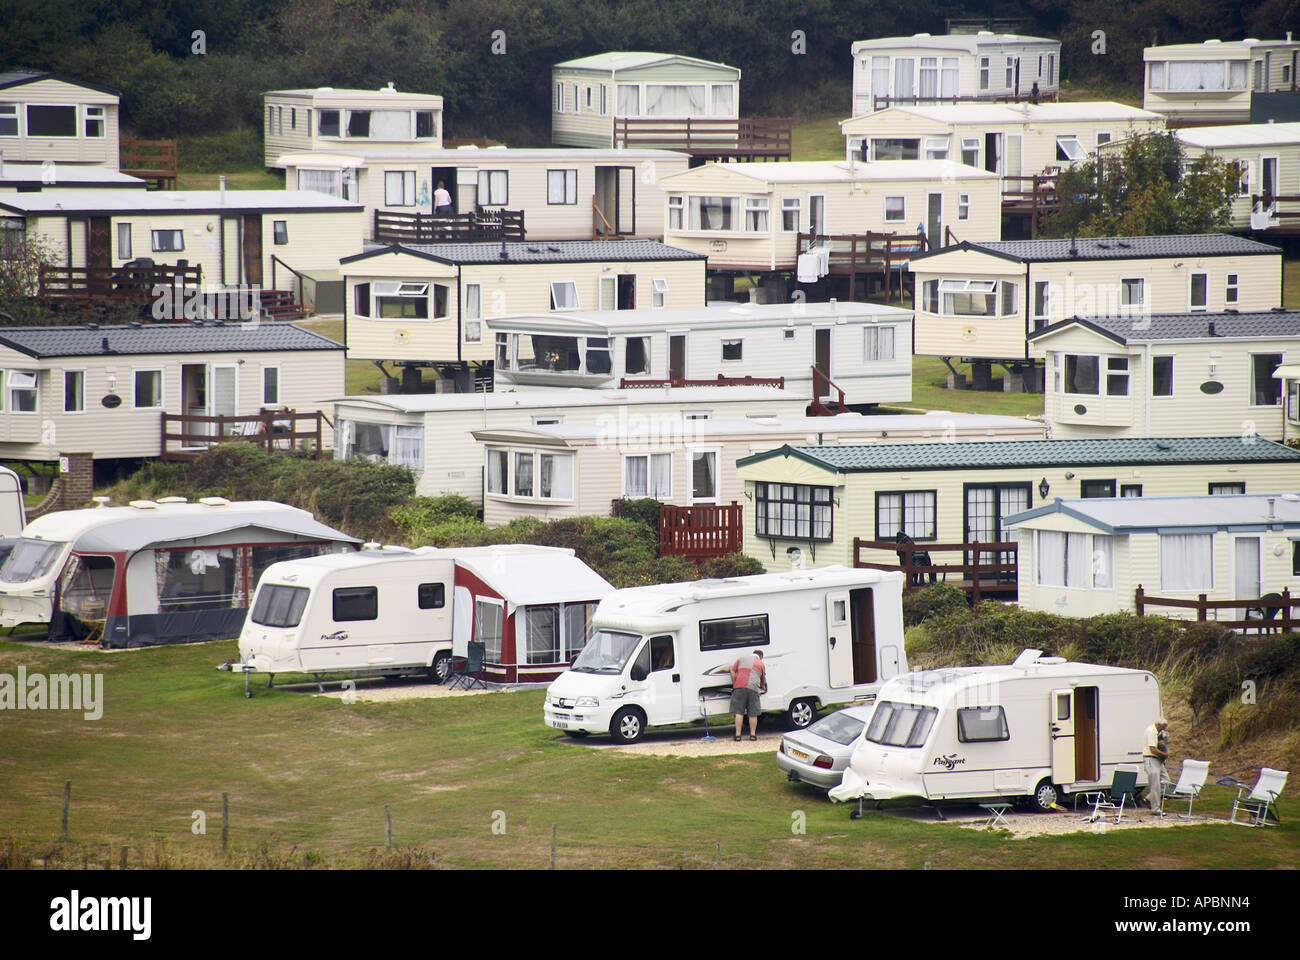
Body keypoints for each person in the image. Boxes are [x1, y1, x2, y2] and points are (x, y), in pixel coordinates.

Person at [729, 649, 766, 741]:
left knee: (738, 712)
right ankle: (752, 735)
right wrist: (762, 687)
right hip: (753, 688)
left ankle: (738, 735)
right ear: (760, 657)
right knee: (753, 713)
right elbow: (763, 681)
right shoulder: (761, 664)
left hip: (739, 686)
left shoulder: (741, 658)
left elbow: (732, 671)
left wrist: (734, 683)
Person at [1143, 716, 1170, 816]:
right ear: (1159, 724)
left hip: (1158, 760)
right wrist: (1165, 755)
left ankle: (1149, 798)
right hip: (1151, 759)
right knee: (1155, 785)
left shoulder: (1156, 732)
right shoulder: (1151, 731)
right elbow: (1153, 749)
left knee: (1166, 781)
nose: (1164, 729)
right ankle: (1155, 809)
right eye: (1163, 727)